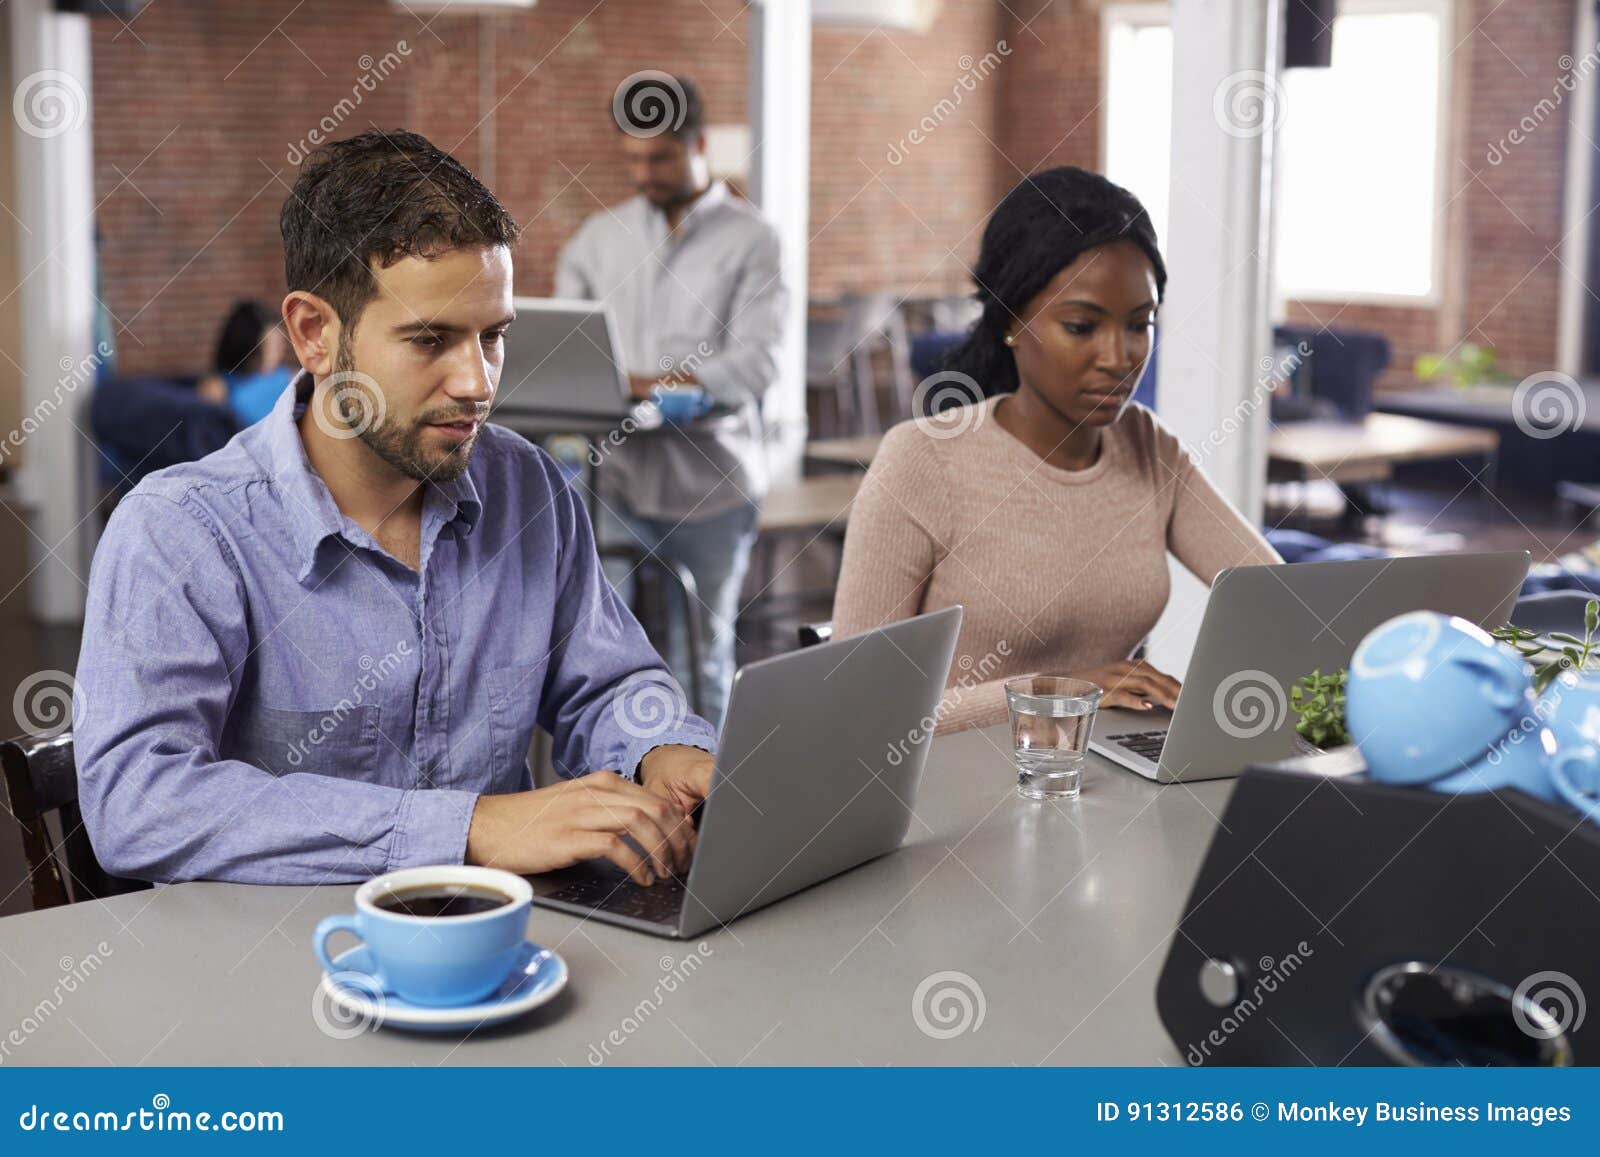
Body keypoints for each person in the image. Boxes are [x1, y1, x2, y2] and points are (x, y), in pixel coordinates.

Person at [75, 129, 716, 887]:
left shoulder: (529, 490)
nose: (477, 382)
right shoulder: (180, 531)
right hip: (265, 977)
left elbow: (605, 685)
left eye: (493, 335)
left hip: (497, 958)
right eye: (430, 339)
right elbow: (140, 802)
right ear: (315, 333)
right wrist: (471, 827)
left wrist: (663, 747)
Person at [831, 167, 1281, 734]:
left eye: (1139, 324)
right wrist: (1058, 693)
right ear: (1012, 321)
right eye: (1081, 326)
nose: (1119, 357)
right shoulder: (923, 459)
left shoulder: (1148, 446)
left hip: (1104, 779)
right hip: (953, 793)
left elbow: (1280, 600)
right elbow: (854, 707)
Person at [555, 73, 787, 731]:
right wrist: (640, 384)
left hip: (711, 485)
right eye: (632, 159)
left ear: (698, 144)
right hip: (616, 483)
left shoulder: (753, 239)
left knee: (699, 661)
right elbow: (567, 351)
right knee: (603, 657)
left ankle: (709, 810)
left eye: (658, 157)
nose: (645, 174)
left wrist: (649, 384)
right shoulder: (597, 239)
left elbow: (757, 361)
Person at [196, 300, 296, 425]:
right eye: (267, 346)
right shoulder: (218, 388)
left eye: (279, 344)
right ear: (247, 345)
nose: (276, 353)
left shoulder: (290, 380)